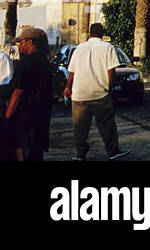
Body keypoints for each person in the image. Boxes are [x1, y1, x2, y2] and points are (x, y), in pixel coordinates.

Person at [63, 22, 130, 161]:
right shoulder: (107, 47)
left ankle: (81, 154)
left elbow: (71, 72)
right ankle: (112, 151)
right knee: (106, 124)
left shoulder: (79, 48)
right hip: (100, 92)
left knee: (80, 127)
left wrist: (67, 88)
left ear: (90, 33)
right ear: (102, 33)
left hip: (80, 94)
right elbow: (111, 70)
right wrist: (110, 88)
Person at [5, 27, 53, 161]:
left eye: (21, 43)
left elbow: (18, 93)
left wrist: (7, 117)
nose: (19, 46)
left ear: (29, 43)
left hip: (25, 122)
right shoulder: (46, 64)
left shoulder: (26, 63)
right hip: (41, 120)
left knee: (23, 155)